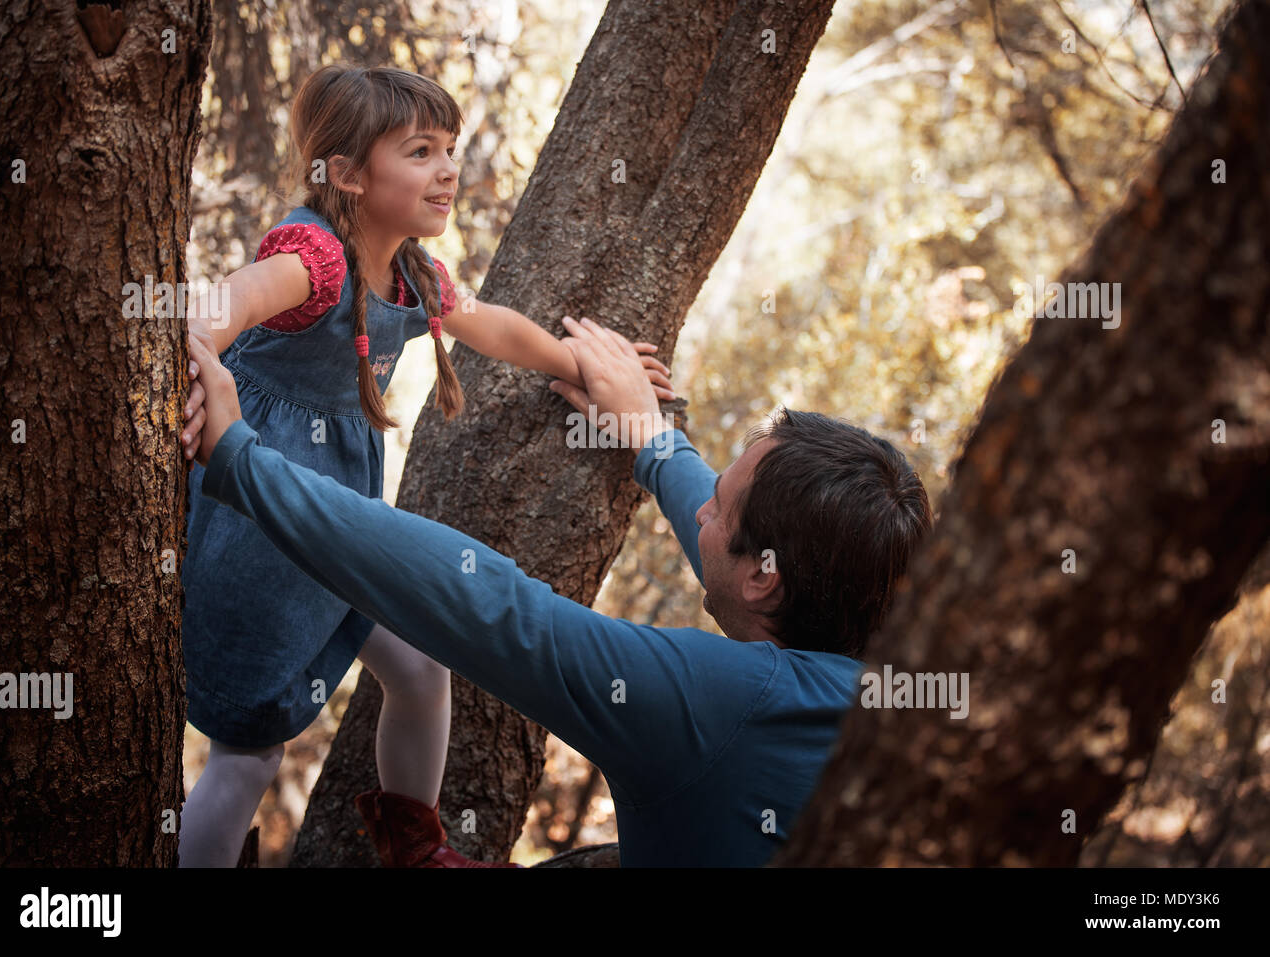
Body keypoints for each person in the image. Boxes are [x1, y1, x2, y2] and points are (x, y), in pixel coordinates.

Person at [179, 316, 933, 867]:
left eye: (718, 507)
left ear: (765, 575)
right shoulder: (902, 663)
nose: (700, 507)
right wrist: (651, 437)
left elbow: (494, 608)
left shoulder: (720, 704)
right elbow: (736, 564)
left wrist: (242, 462)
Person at [176, 64, 676, 868]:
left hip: (340, 517)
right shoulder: (317, 259)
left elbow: (498, 330)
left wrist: (588, 369)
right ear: (345, 173)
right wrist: (201, 346)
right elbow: (231, 300)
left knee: (418, 663)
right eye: (419, 151)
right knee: (249, 751)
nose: (447, 169)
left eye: (450, 148)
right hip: (263, 514)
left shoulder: (409, 271)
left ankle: (414, 844)